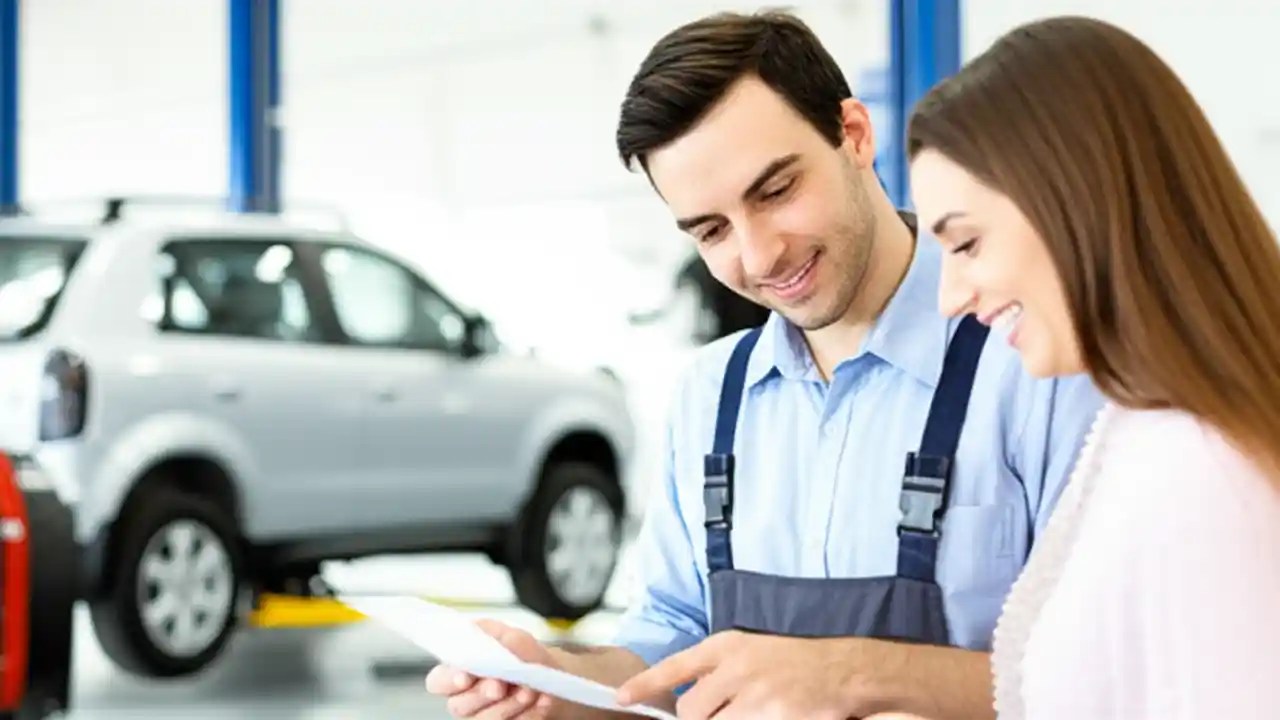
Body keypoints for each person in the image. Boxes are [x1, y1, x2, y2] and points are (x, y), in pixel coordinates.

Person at [426, 11, 1102, 719]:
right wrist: (557, 683)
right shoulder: (710, 397)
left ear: (854, 134)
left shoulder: (1037, 365)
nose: (757, 256)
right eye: (711, 230)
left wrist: (850, 672)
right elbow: (670, 640)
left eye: (775, 191)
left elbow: (1106, 677)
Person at [905, 15, 1280, 718]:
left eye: (967, 244)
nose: (951, 298)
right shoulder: (1144, 432)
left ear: (1074, 199)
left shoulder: (1200, 471)